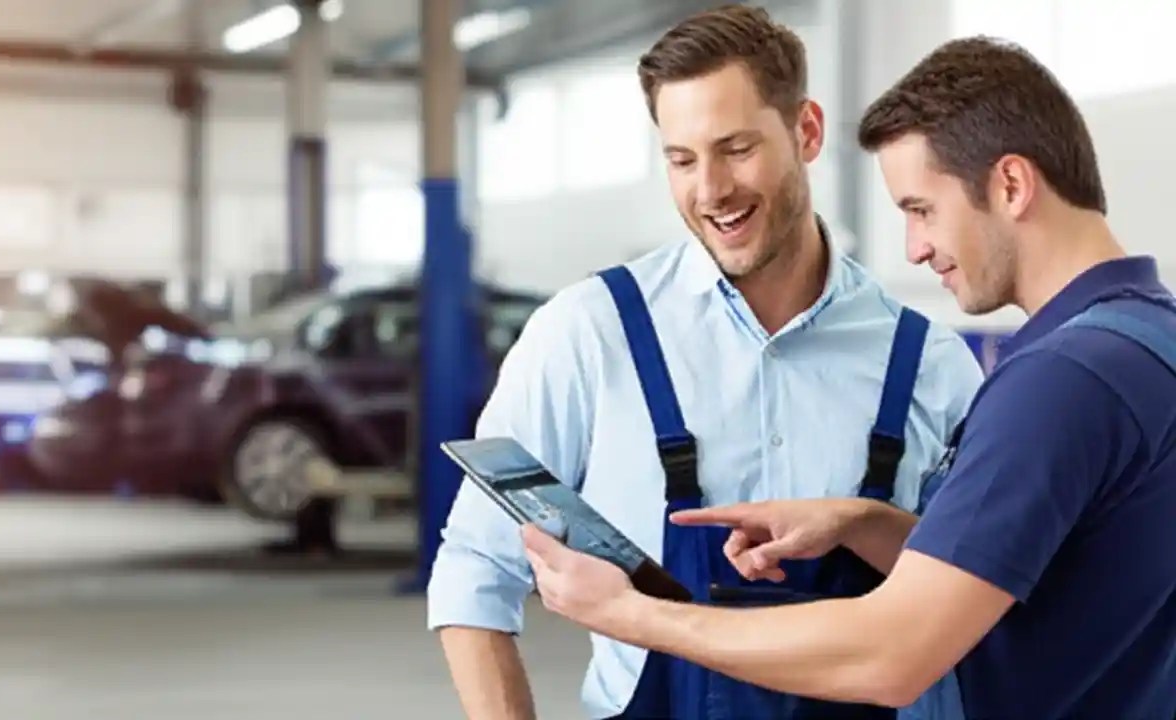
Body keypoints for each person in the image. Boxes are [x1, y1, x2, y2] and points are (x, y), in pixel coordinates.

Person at [520, 34, 1176, 720]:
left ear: (1010, 185)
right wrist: (865, 522)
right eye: (681, 158)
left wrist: (630, 614)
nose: (914, 248)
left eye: (920, 209)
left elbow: (890, 656)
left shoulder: (1056, 385)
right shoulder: (1150, 343)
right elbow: (1038, 576)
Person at [425, 5, 983, 719]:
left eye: (736, 148)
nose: (711, 190)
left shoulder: (930, 364)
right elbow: (476, 566)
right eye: (682, 160)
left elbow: (972, 593)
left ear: (807, 131)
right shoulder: (590, 334)